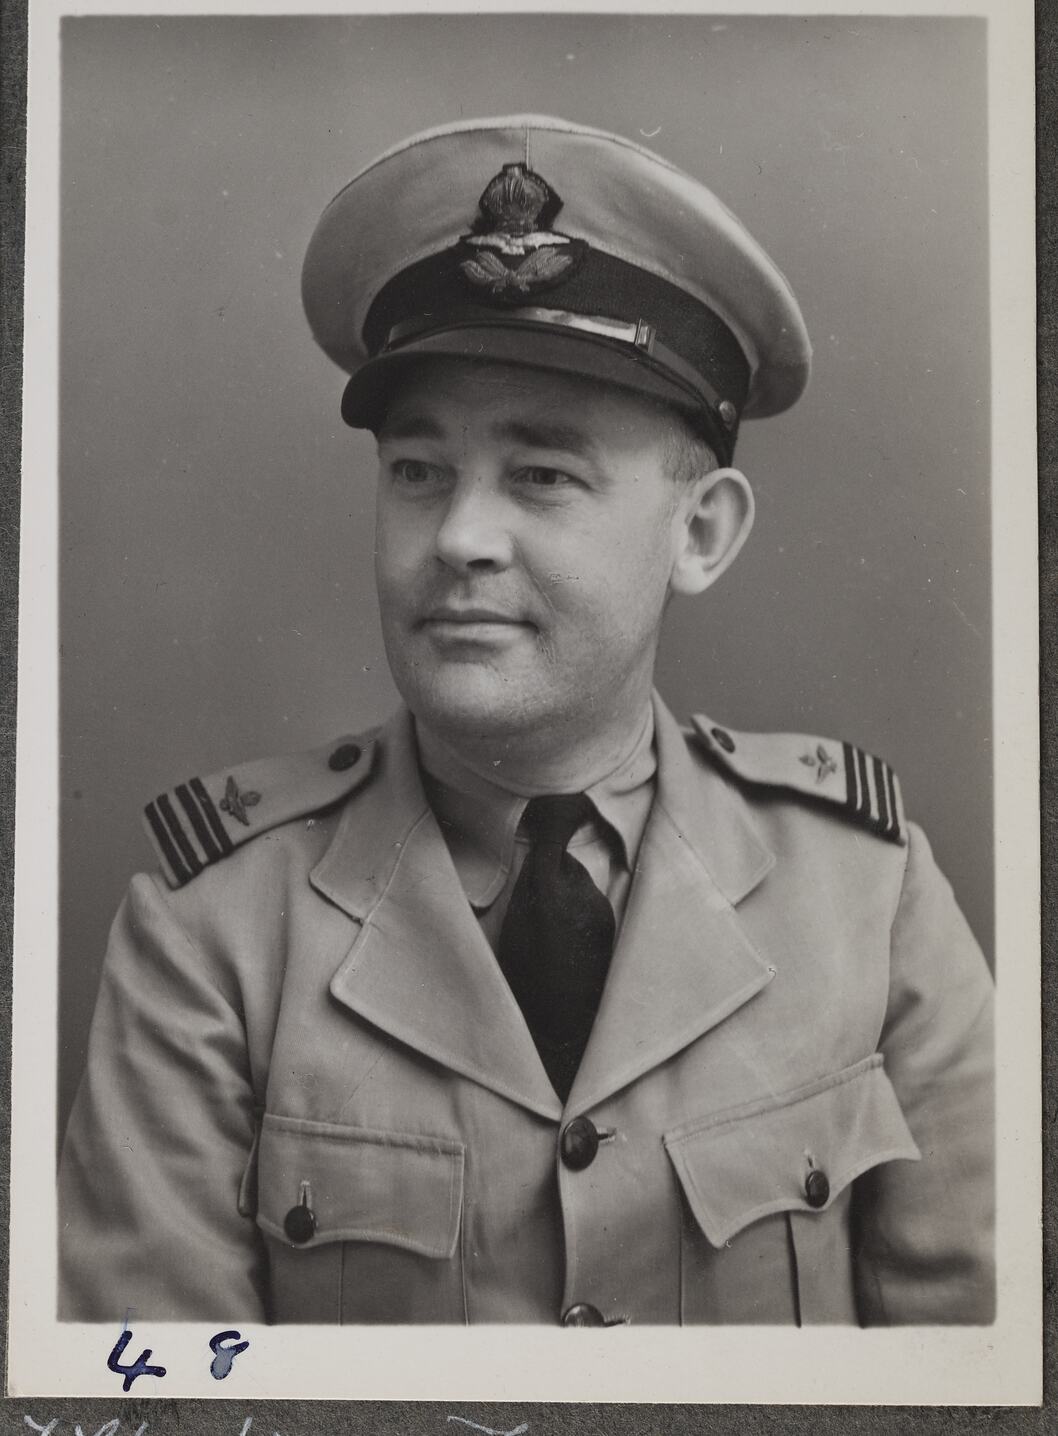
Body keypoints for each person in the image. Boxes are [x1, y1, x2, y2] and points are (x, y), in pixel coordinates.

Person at [59, 114, 994, 1326]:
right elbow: (160, 1397)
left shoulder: (866, 894)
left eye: (542, 476)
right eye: (417, 472)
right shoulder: (213, 931)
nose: (457, 538)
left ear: (699, 533)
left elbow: (987, 1365)